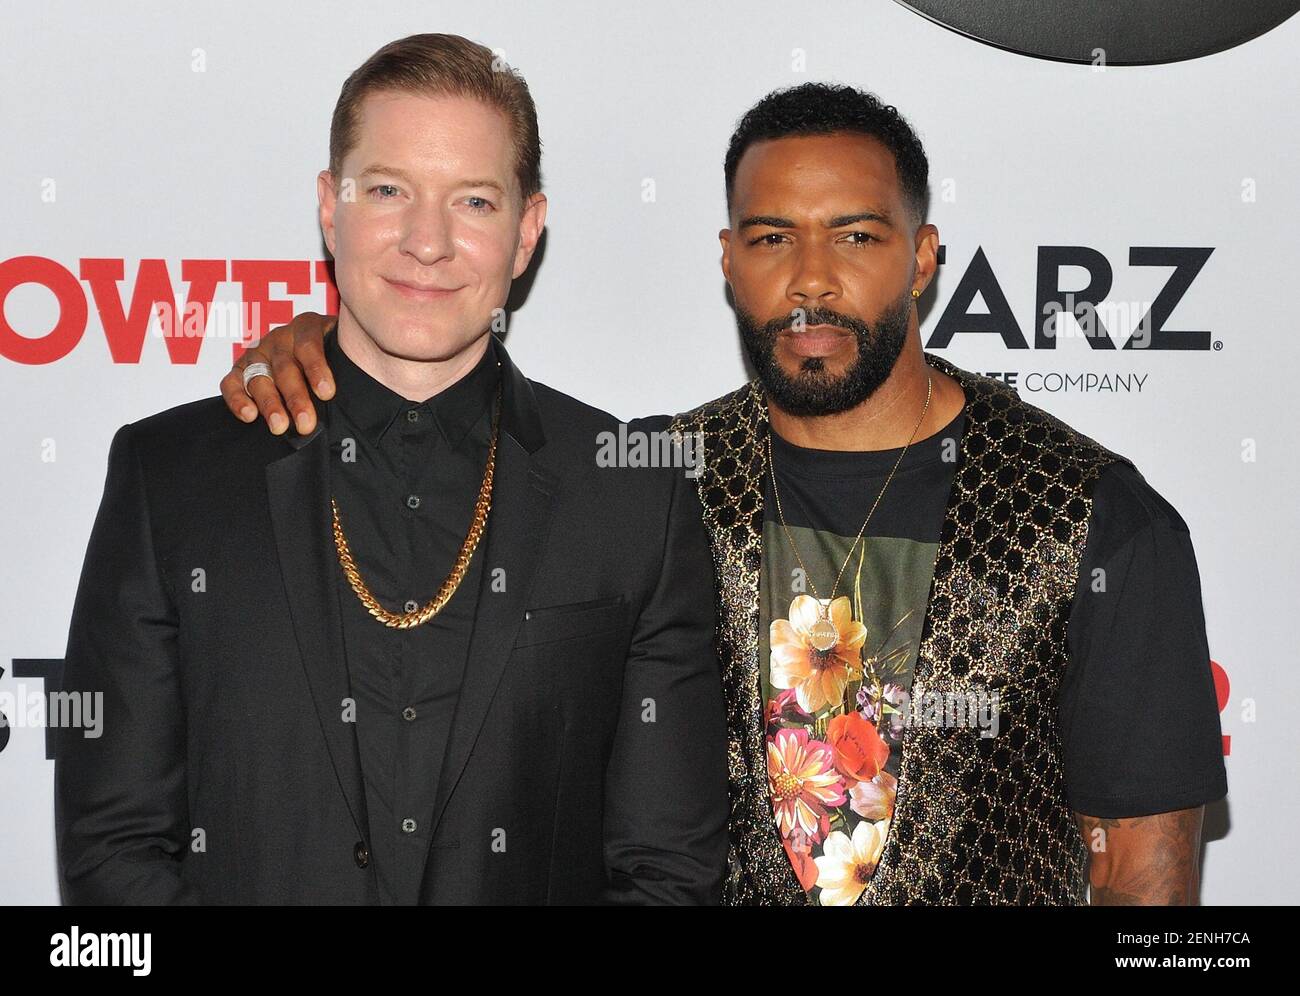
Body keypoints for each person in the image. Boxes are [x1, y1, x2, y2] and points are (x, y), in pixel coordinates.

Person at [222, 83, 1228, 906]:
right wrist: (326, 359)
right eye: (770, 238)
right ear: (726, 261)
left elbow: (1145, 882)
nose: (811, 281)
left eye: (858, 238)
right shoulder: (645, 481)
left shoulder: (1088, 519)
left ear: (923, 260)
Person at [55, 33, 728, 906]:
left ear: (526, 233)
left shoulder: (631, 494)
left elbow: (669, 874)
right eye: (388, 191)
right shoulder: (170, 477)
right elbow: (115, 852)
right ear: (330, 208)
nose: (427, 242)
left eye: (475, 202)